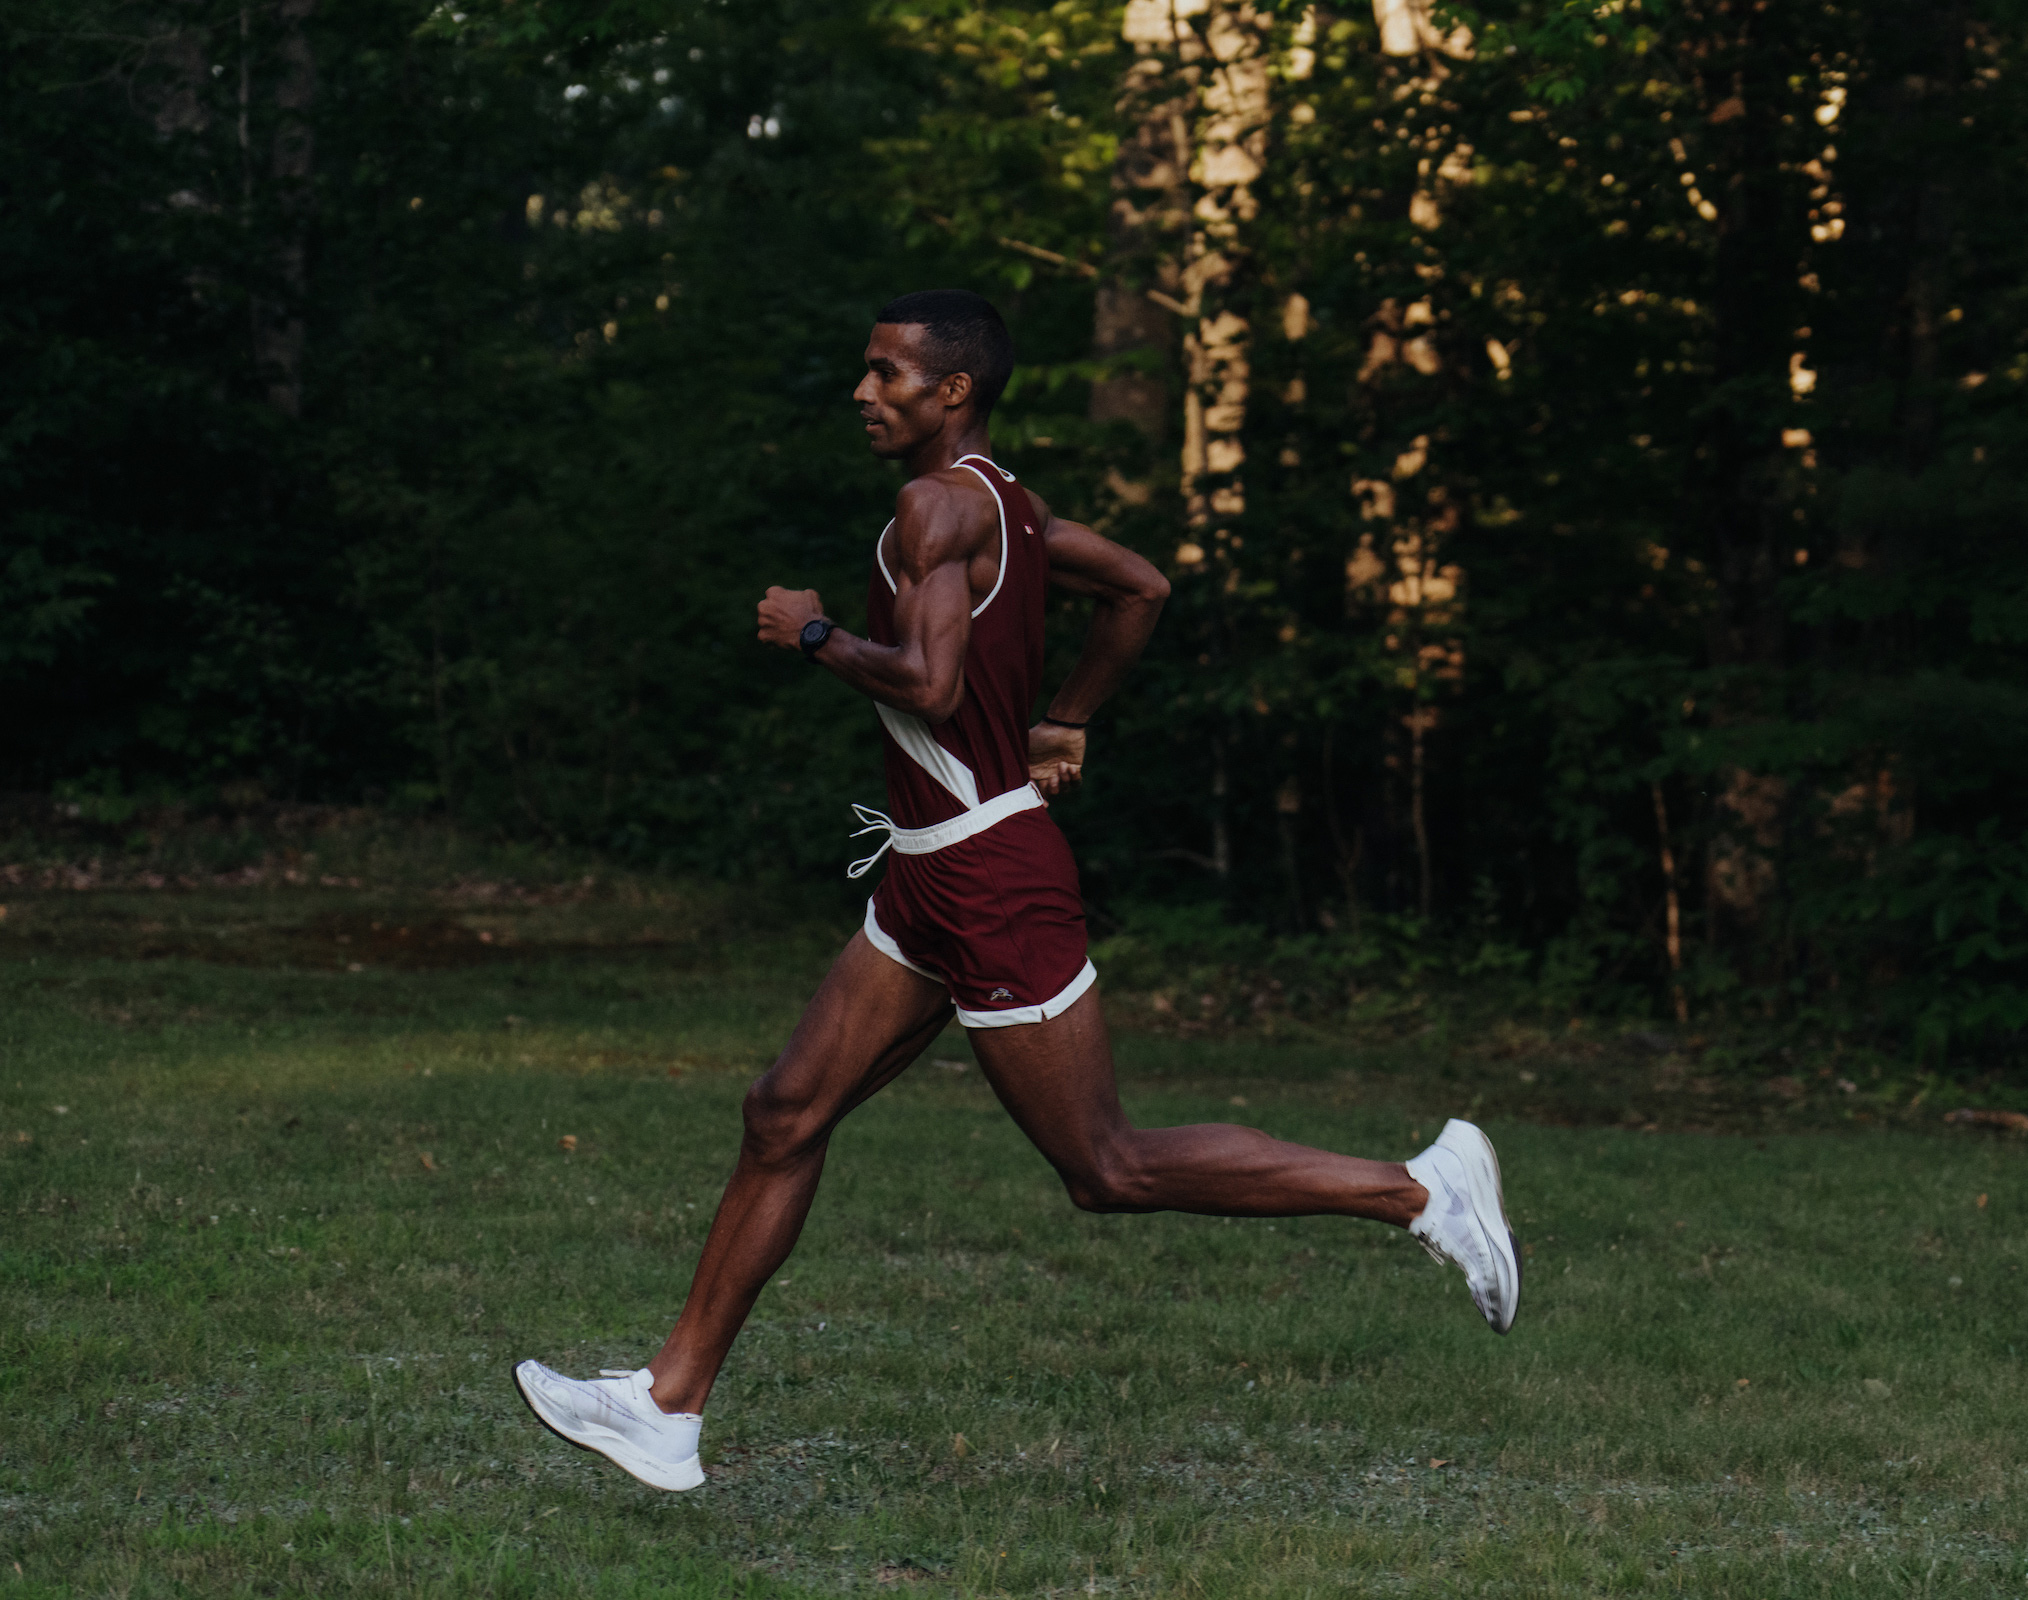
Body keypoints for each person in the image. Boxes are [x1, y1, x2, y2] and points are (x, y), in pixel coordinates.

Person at [512, 290, 1519, 1492]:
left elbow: (931, 687)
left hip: (991, 880)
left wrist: (816, 631)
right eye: (865, 369)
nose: (863, 392)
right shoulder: (1011, 507)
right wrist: (1066, 718)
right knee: (783, 1112)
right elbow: (1140, 586)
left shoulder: (937, 506)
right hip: (929, 873)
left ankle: (1418, 1190)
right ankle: (666, 1409)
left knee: (1106, 1167)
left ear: (953, 393)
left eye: (888, 374)